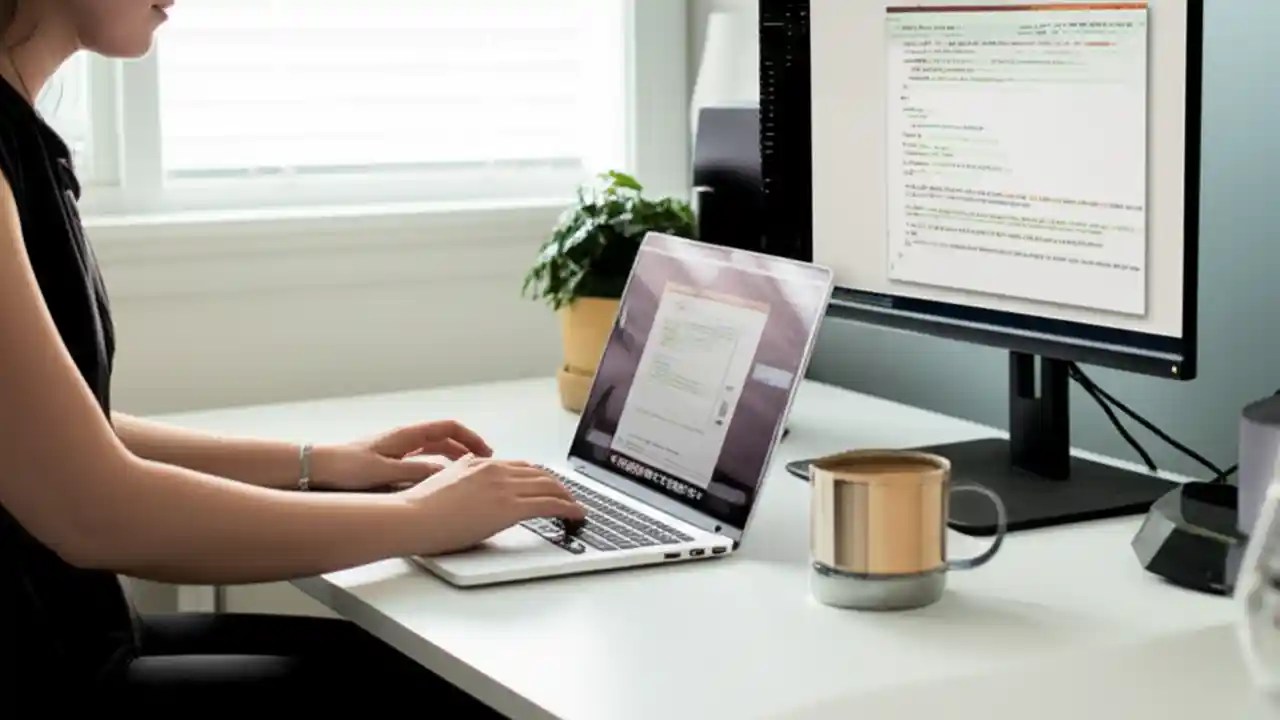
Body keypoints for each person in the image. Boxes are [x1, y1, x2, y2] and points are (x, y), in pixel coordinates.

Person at [0, 0, 586, 708]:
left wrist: (318, 464)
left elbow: (60, 437)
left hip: (78, 635)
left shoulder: (18, 138)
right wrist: (422, 518)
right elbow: (91, 508)